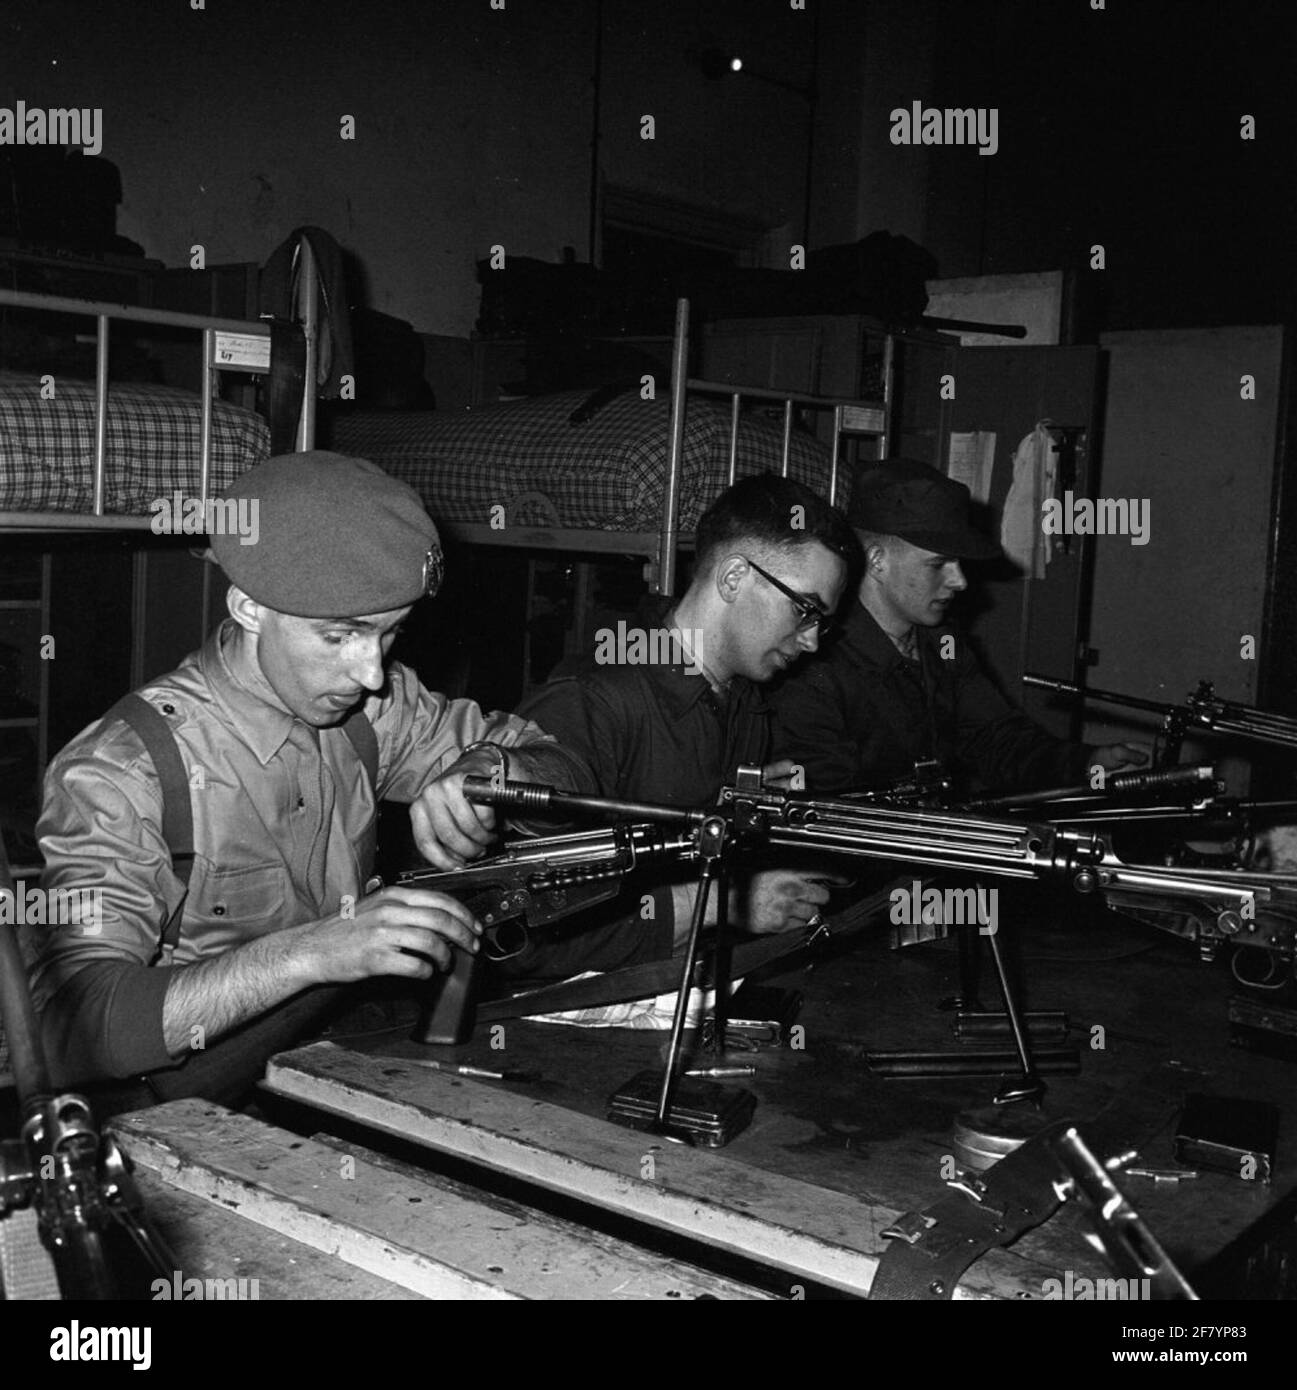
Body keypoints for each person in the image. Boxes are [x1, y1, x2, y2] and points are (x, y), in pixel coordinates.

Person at [28, 453, 587, 1102]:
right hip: (172, 1107)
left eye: (388, 636)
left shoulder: (372, 711)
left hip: (325, 1065)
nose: (371, 673)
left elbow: (564, 769)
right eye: (339, 637)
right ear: (249, 608)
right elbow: (71, 1033)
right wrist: (312, 952)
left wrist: (493, 770)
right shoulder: (126, 771)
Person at [509, 473, 859, 983]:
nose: (811, 642)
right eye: (804, 611)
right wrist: (723, 903)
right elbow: (519, 934)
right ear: (734, 577)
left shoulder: (742, 701)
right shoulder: (596, 699)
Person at [769, 458, 1146, 796]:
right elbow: (828, 806)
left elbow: (998, 740)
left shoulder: (941, 642)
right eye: (939, 564)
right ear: (877, 560)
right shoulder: (814, 663)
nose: (960, 581)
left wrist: (1088, 764)